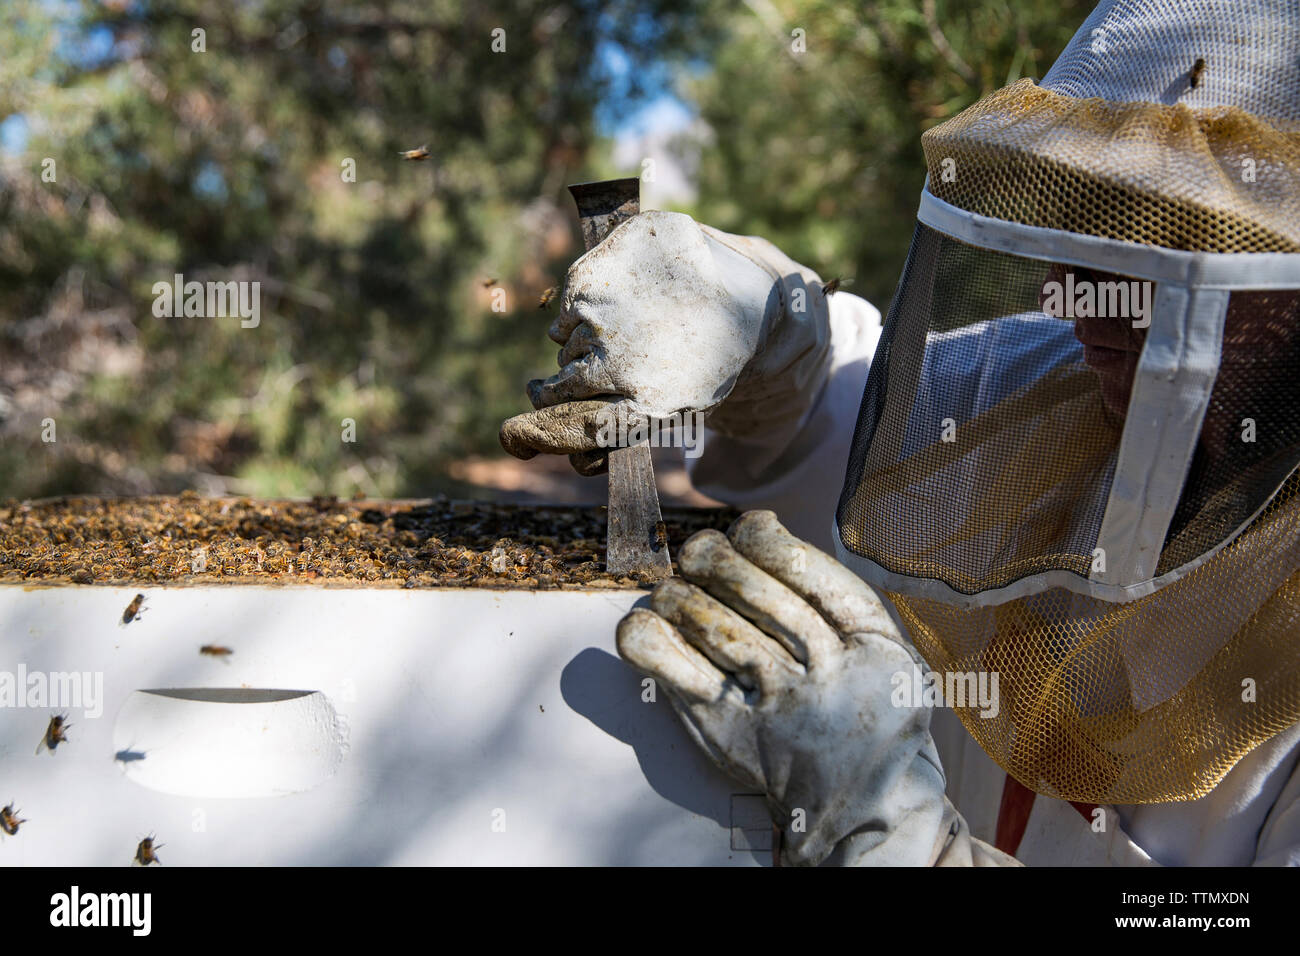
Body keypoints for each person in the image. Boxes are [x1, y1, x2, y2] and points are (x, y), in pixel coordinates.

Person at [500, 0, 1300, 865]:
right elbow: (854, 420)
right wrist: (761, 328)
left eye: (1165, 239)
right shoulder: (1064, 391)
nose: (1076, 294)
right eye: (1090, 218)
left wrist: (894, 838)